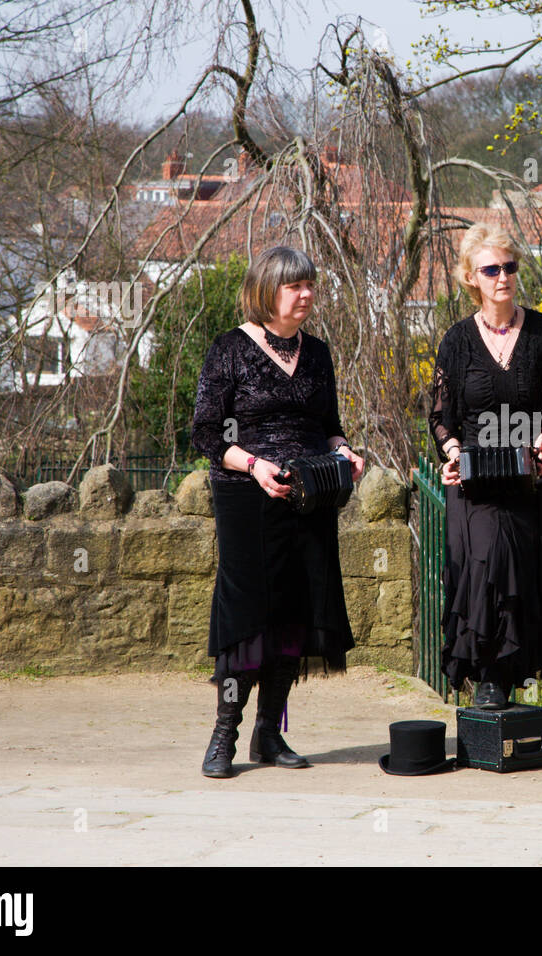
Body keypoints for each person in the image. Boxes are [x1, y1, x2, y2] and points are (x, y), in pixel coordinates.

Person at [191, 245, 366, 778]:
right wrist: (254, 465)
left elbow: (328, 423)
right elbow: (204, 432)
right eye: (295, 286)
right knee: (248, 619)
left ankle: (270, 734)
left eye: (310, 284)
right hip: (247, 498)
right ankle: (225, 735)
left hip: (311, 497)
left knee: (296, 612)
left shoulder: (317, 353)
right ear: (267, 291)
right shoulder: (229, 349)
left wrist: (343, 450)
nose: (306, 294)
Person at [429, 223, 542, 710]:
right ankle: (491, 675)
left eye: (509, 267)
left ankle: (510, 677)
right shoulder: (456, 341)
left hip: (534, 475)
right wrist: (451, 456)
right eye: (491, 269)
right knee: (491, 553)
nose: (503, 277)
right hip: (474, 481)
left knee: (526, 567)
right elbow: (440, 418)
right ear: (471, 277)